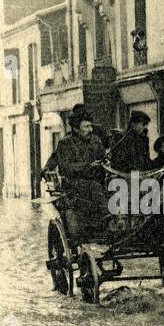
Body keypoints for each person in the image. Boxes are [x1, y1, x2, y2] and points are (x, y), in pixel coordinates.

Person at [45, 104, 108, 242]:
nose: (90, 130)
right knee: (95, 188)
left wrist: (106, 162)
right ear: (76, 128)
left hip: (96, 180)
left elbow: (103, 156)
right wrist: (88, 166)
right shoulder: (65, 144)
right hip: (73, 183)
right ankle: (104, 219)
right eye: (86, 127)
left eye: (90, 126)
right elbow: (66, 167)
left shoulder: (96, 141)